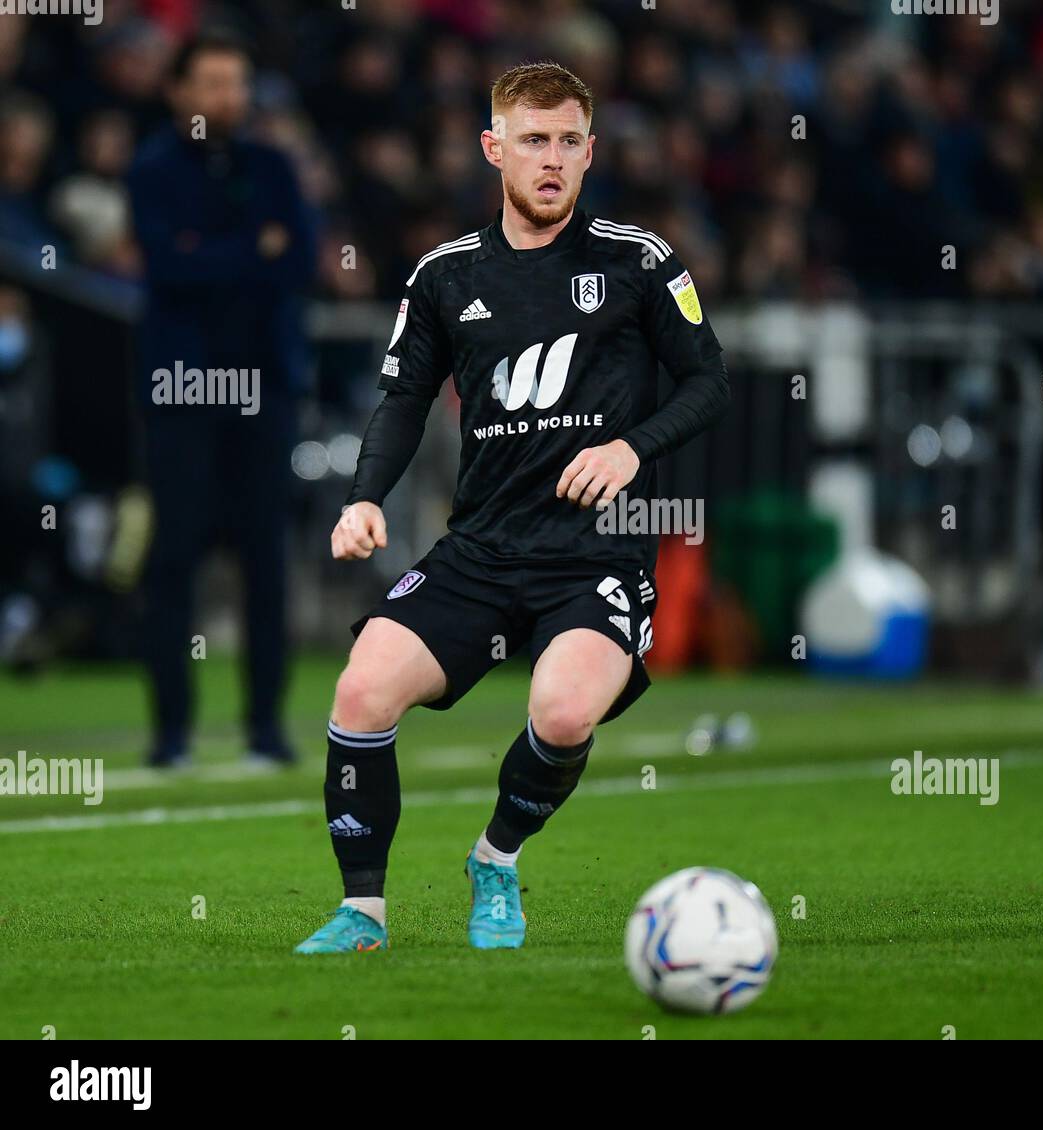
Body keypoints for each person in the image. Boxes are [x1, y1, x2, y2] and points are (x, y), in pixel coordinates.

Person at [295, 62, 729, 954]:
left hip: (598, 553)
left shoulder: (638, 261)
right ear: (494, 149)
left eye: (570, 141)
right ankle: (362, 914)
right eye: (534, 140)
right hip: (483, 545)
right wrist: (364, 499)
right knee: (362, 689)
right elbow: (404, 400)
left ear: (591, 151)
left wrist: (629, 447)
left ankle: (496, 857)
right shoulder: (445, 275)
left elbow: (707, 382)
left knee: (564, 715)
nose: (553, 159)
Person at [128, 34, 315, 767]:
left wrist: (220, 254)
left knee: (266, 561)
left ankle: (265, 728)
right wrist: (251, 251)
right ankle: (170, 733)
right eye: (210, 83)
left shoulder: (272, 164)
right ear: (177, 90)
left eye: (236, 83)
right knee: (173, 558)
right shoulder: (153, 168)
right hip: (182, 391)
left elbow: (299, 260)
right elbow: (170, 268)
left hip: (264, 389)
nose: (226, 98)